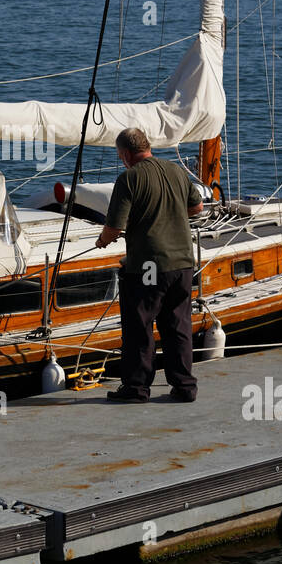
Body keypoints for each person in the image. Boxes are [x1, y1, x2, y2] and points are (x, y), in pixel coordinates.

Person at [95, 128, 203, 402]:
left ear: (126, 154)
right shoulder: (176, 171)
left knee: (140, 326)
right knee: (177, 326)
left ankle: (136, 388)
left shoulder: (129, 178)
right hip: (183, 263)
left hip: (149, 265)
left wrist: (103, 242)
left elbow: (114, 227)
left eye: (121, 156)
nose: (122, 160)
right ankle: (184, 386)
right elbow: (197, 207)